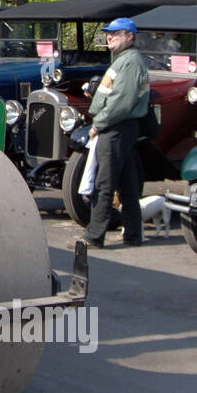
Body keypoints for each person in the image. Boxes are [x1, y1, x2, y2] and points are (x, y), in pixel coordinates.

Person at [79, 17, 150, 249]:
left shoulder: (129, 62)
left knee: (104, 183)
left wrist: (98, 124)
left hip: (116, 127)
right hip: (123, 127)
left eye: (115, 33)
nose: (109, 37)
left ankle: (94, 235)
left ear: (130, 36)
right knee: (128, 185)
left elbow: (122, 101)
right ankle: (133, 233)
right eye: (109, 33)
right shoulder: (126, 60)